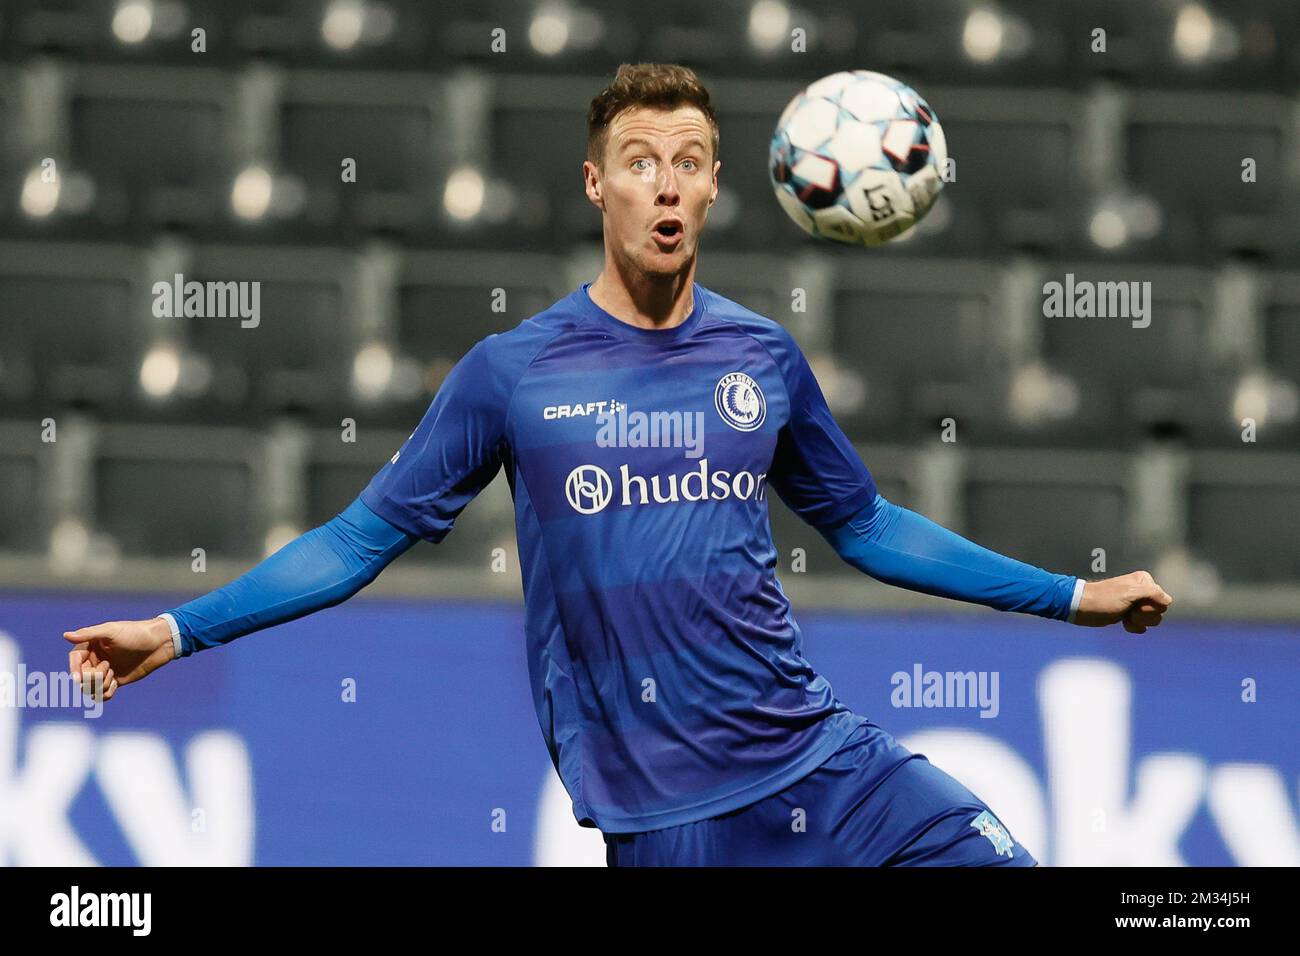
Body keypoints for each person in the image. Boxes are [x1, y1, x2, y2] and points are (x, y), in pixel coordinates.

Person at [65, 63, 1173, 866]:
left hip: (819, 756)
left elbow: (868, 525)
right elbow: (358, 541)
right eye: (640, 163)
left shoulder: (760, 354)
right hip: (667, 817)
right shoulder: (511, 374)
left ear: (717, 187)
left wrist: (1070, 594)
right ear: (597, 185)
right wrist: (175, 629)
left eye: (689, 164)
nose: (667, 185)